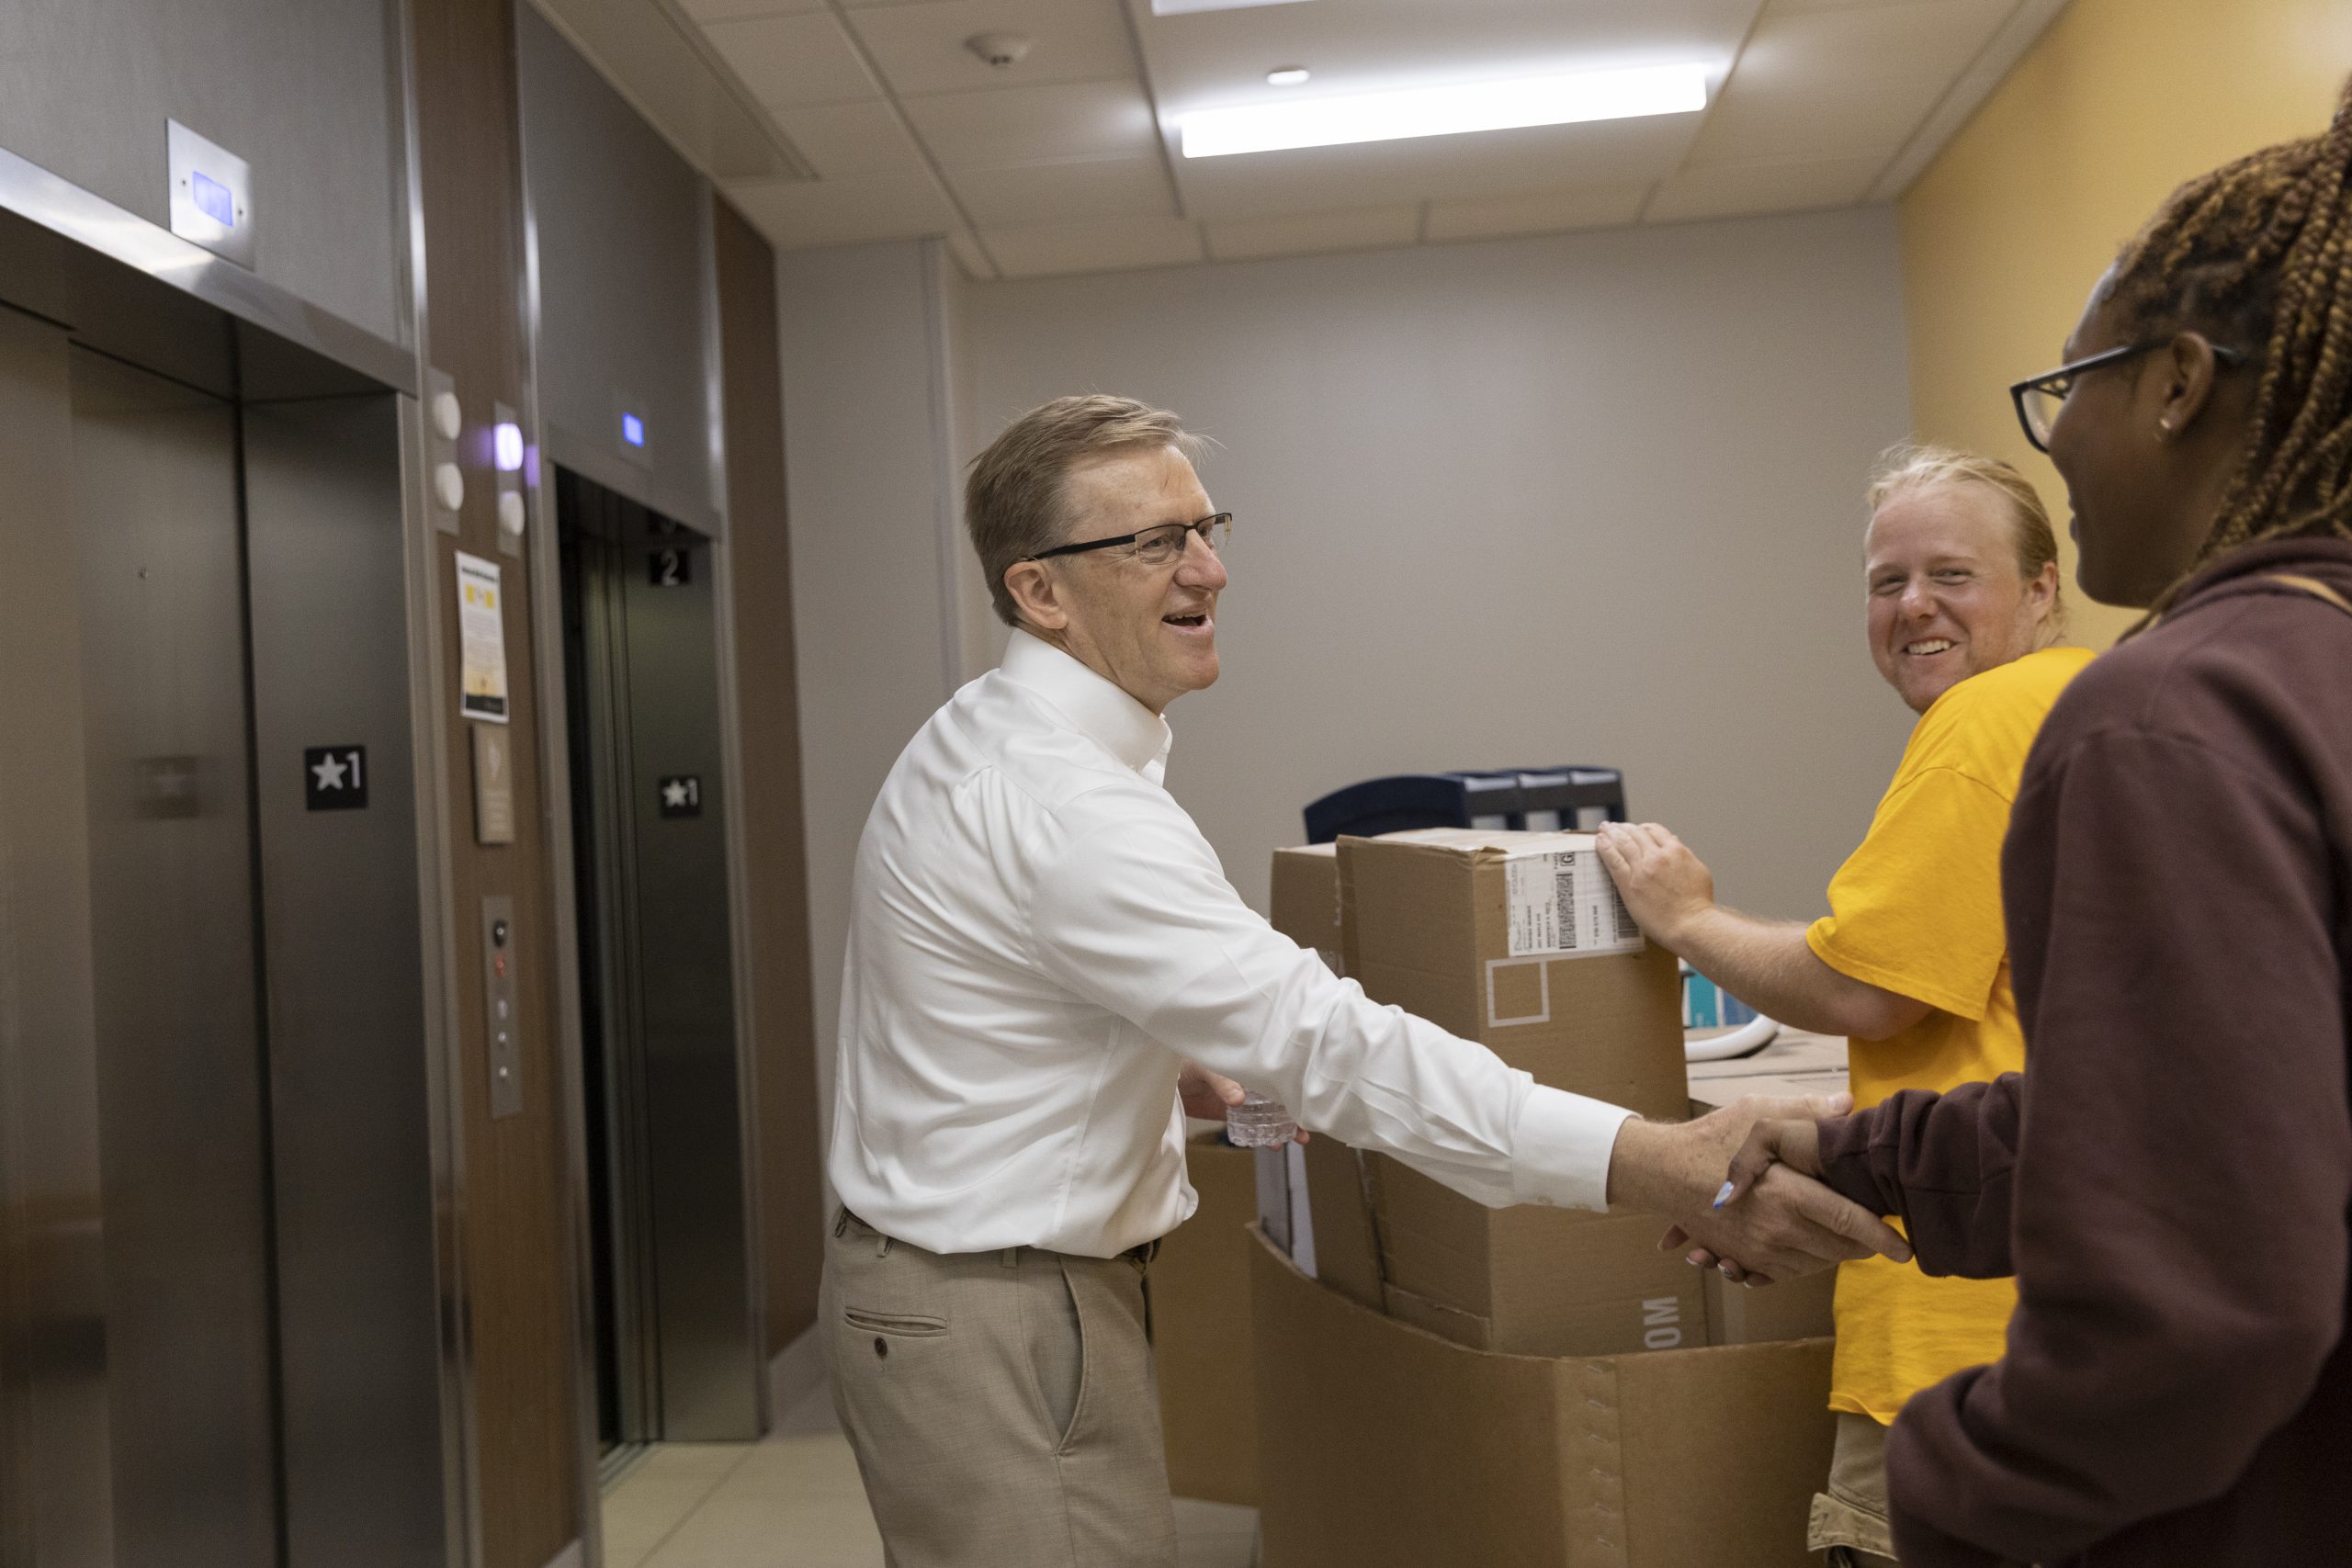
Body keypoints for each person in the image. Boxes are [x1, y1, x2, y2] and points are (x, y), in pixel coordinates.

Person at [821, 394, 1908, 1567]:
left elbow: (1003, 974)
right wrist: (1655, 1162)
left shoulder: (1001, 736)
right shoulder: (1060, 801)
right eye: (1152, 543)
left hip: (963, 1293)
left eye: (1206, 525)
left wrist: (1154, 1052)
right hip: (996, 1314)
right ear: (1040, 593)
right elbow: (1328, 1045)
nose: (1209, 568)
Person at [1716, 81, 2352, 1568]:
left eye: (2073, 388)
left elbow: (2213, 1293)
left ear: (2181, 383)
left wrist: (1960, 1485)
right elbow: (2203, 1109)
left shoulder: (2166, 714)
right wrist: (1854, 1150)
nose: (2057, 444)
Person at [1596, 446, 2091, 1567]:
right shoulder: (2088, 708)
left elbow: (1865, 989)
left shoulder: (1982, 726)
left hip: (1963, 1326)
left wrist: (1687, 920)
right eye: (1886, 581)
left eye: (1952, 574)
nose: (1913, 604)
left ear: (2042, 590)